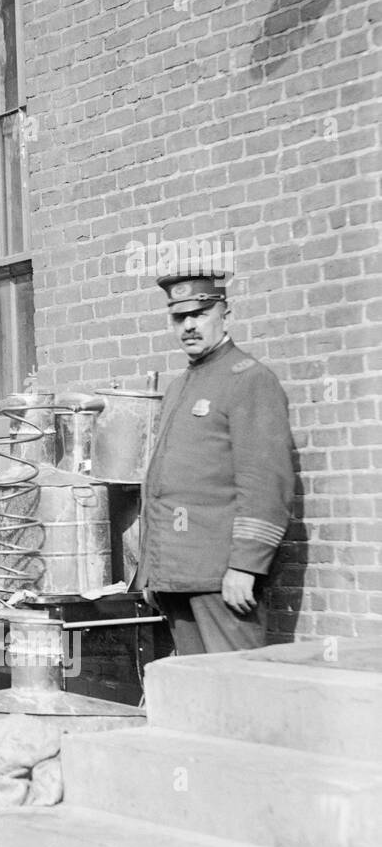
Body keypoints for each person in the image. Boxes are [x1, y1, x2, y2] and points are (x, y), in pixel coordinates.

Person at [139, 273, 295, 654]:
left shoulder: (250, 379)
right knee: (196, 694)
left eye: (201, 313)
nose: (189, 325)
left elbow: (265, 482)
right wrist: (151, 571)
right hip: (175, 575)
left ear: (226, 314)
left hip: (222, 578)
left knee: (235, 690)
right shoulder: (180, 386)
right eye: (180, 318)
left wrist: (246, 565)